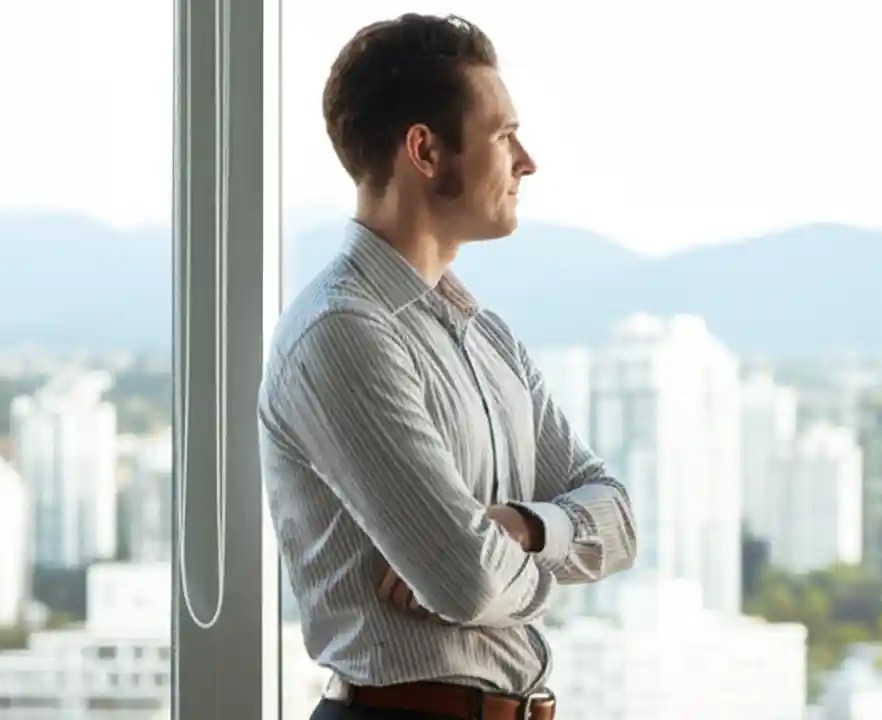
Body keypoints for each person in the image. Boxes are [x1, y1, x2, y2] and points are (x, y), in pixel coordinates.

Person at [257, 13, 637, 720]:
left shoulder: (487, 336)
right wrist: (546, 557)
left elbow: (618, 520)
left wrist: (520, 528)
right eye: (502, 135)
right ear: (425, 151)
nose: (526, 161)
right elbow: (466, 581)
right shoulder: (342, 334)